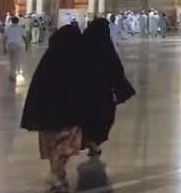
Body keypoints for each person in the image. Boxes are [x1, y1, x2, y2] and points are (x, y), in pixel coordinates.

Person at [20, 24, 85, 192]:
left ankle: (57, 174)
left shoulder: (48, 59)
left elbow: (37, 89)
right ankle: (55, 175)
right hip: (66, 116)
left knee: (54, 147)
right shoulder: (74, 61)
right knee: (64, 147)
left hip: (47, 116)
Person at [80, 18, 136, 157]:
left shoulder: (83, 43)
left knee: (89, 117)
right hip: (102, 91)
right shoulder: (105, 45)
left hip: (86, 90)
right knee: (103, 117)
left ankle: (90, 141)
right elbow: (116, 68)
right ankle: (94, 142)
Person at [4, 16, 26, 83]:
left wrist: (4, 47)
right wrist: (27, 45)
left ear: (11, 21)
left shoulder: (8, 28)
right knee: (17, 60)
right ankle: (17, 73)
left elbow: (5, 38)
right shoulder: (21, 28)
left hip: (10, 45)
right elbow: (24, 37)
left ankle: (12, 75)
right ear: (18, 21)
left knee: (11, 61)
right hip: (18, 46)